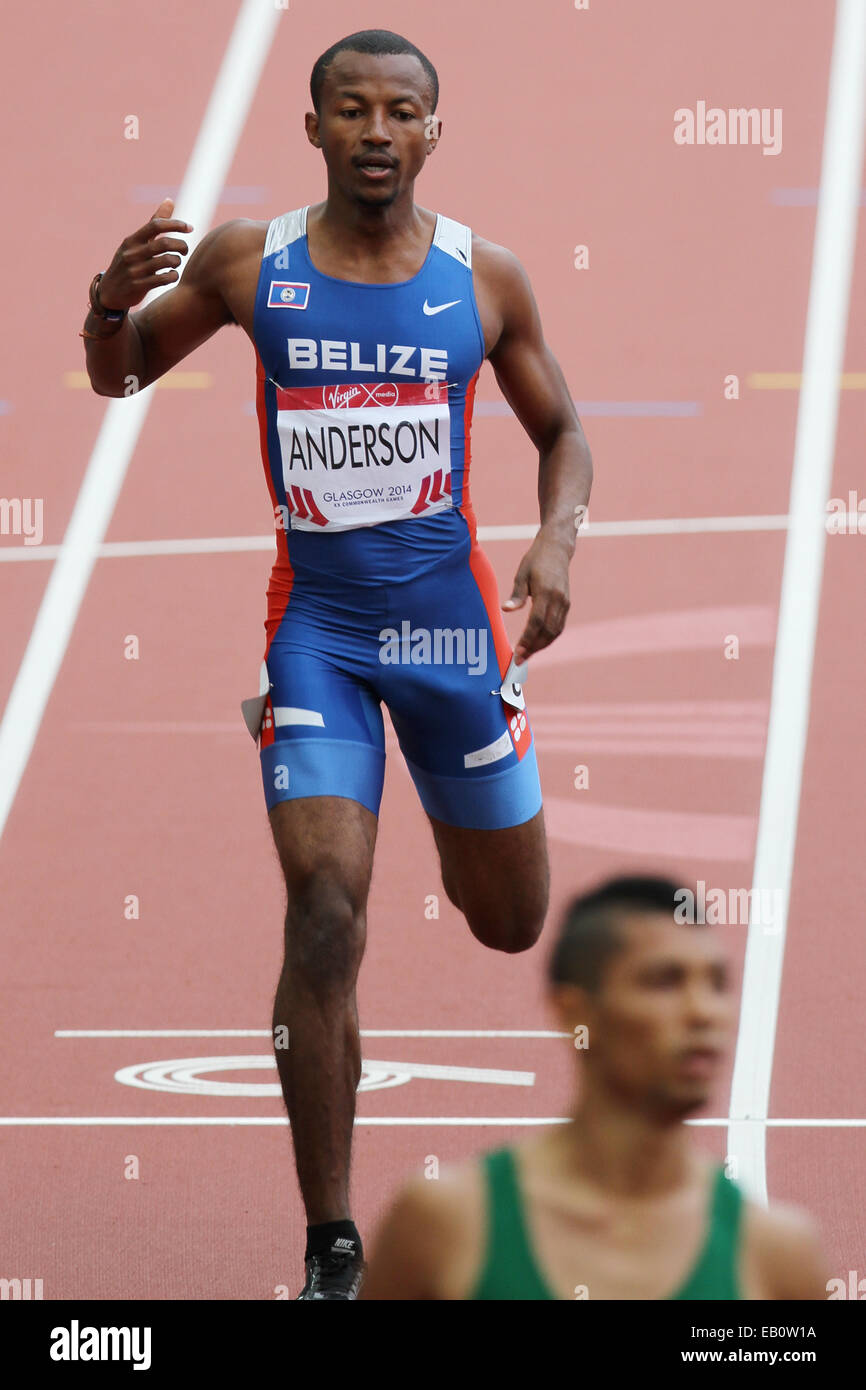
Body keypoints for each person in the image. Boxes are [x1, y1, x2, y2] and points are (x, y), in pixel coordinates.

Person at [81, 28, 592, 1300]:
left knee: (508, 919)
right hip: (316, 634)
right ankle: (330, 1242)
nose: (376, 130)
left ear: (432, 132)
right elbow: (122, 373)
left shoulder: (486, 280)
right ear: (312, 129)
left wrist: (555, 542)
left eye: (400, 111)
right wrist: (105, 298)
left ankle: (445, 785)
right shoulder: (257, 266)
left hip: (449, 634)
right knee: (323, 909)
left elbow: (564, 430)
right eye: (350, 109)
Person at [361, 875, 829, 1300]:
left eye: (717, 984)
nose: (704, 1012)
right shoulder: (444, 1225)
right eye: (665, 981)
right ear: (574, 1012)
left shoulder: (778, 1256)